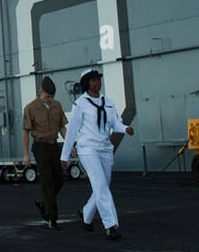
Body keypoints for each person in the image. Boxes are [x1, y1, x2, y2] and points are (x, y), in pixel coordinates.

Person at [62, 68, 133, 239]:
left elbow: (116, 123)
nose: (97, 83)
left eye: (98, 79)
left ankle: (86, 214)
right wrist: (64, 156)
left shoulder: (108, 102)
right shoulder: (80, 104)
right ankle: (111, 225)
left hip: (105, 148)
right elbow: (71, 131)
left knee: (103, 186)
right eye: (93, 80)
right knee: (100, 185)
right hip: (87, 149)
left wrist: (125, 129)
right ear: (87, 83)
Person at [23, 76, 68, 228]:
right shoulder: (30, 108)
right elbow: (25, 132)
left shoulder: (57, 106)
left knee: (59, 181)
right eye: (47, 96)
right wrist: (26, 154)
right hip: (40, 146)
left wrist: (70, 146)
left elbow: (62, 127)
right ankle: (52, 217)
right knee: (47, 181)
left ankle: (43, 201)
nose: (49, 100)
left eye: (51, 97)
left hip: (54, 145)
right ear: (40, 91)